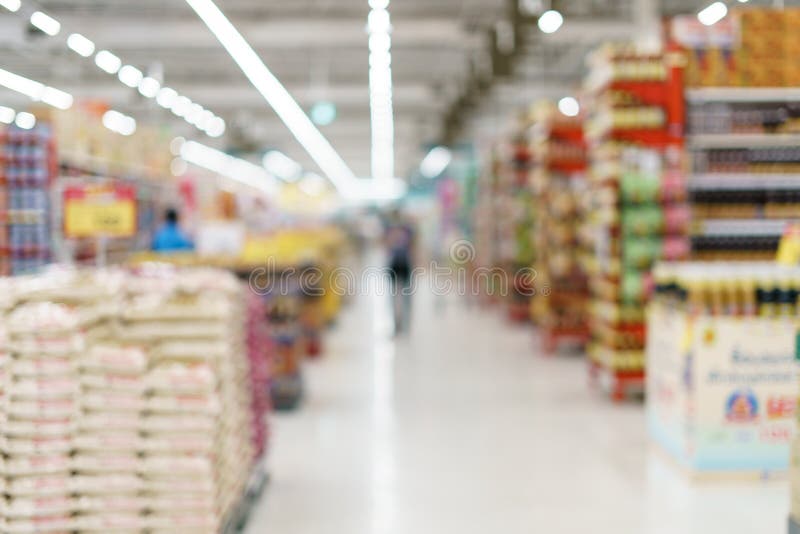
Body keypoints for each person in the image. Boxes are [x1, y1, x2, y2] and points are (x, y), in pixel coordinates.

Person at [385, 209, 415, 334]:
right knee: (401, 296)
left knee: (399, 295)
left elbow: (386, 246)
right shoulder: (405, 229)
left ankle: (401, 324)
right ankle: (402, 324)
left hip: (398, 264)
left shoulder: (394, 229)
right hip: (400, 264)